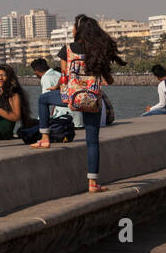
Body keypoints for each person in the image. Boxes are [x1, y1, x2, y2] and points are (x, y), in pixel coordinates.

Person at [30, 15, 126, 193]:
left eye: (74, 26)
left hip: (71, 98)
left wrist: (56, 87)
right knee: (92, 142)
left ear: (78, 30)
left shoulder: (67, 49)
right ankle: (93, 183)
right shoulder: (99, 50)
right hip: (92, 101)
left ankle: (44, 138)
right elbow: (109, 80)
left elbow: (65, 76)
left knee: (43, 100)